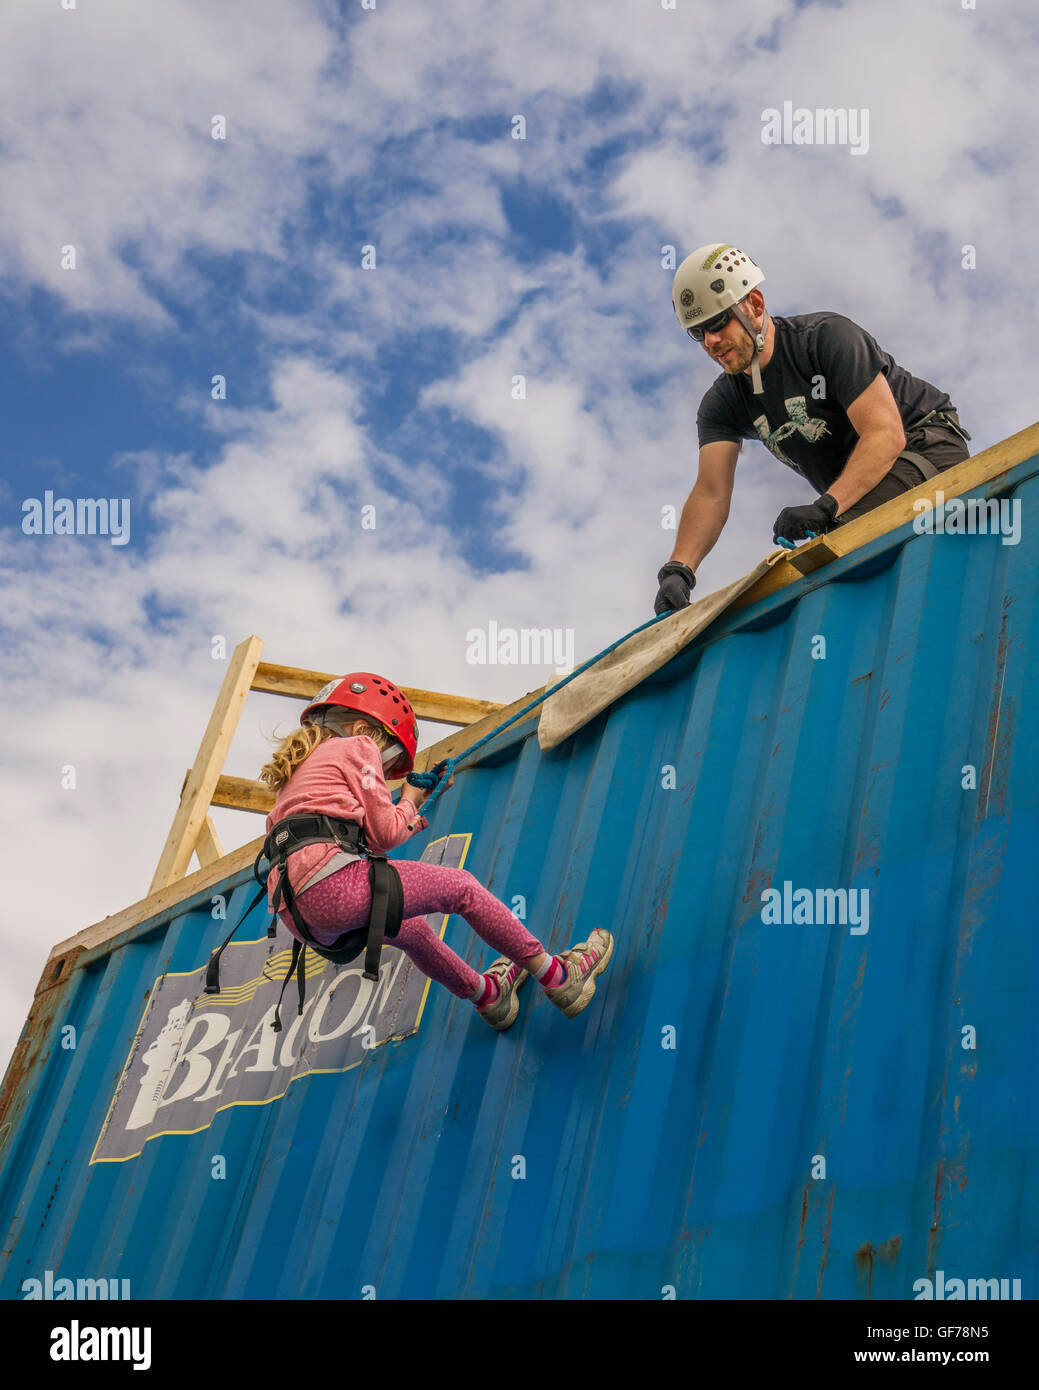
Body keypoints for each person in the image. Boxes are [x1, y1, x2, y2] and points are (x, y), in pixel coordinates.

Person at [257, 672, 613, 1031]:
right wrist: (409, 801)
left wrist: (413, 805)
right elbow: (386, 834)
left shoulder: (299, 775)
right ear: (362, 727)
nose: (381, 764)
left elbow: (367, 837)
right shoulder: (357, 745)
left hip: (299, 917)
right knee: (461, 888)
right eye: (388, 753)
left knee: (410, 932)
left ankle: (488, 996)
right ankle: (558, 976)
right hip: (333, 889)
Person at [654, 243, 972, 614]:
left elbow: (885, 434)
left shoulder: (825, 338)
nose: (710, 341)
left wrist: (825, 507)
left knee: (832, 547)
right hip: (856, 493)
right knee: (817, 558)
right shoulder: (722, 403)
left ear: (754, 306)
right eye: (697, 333)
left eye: (717, 323)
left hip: (926, 446)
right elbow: (710, 493)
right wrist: (679, 570)